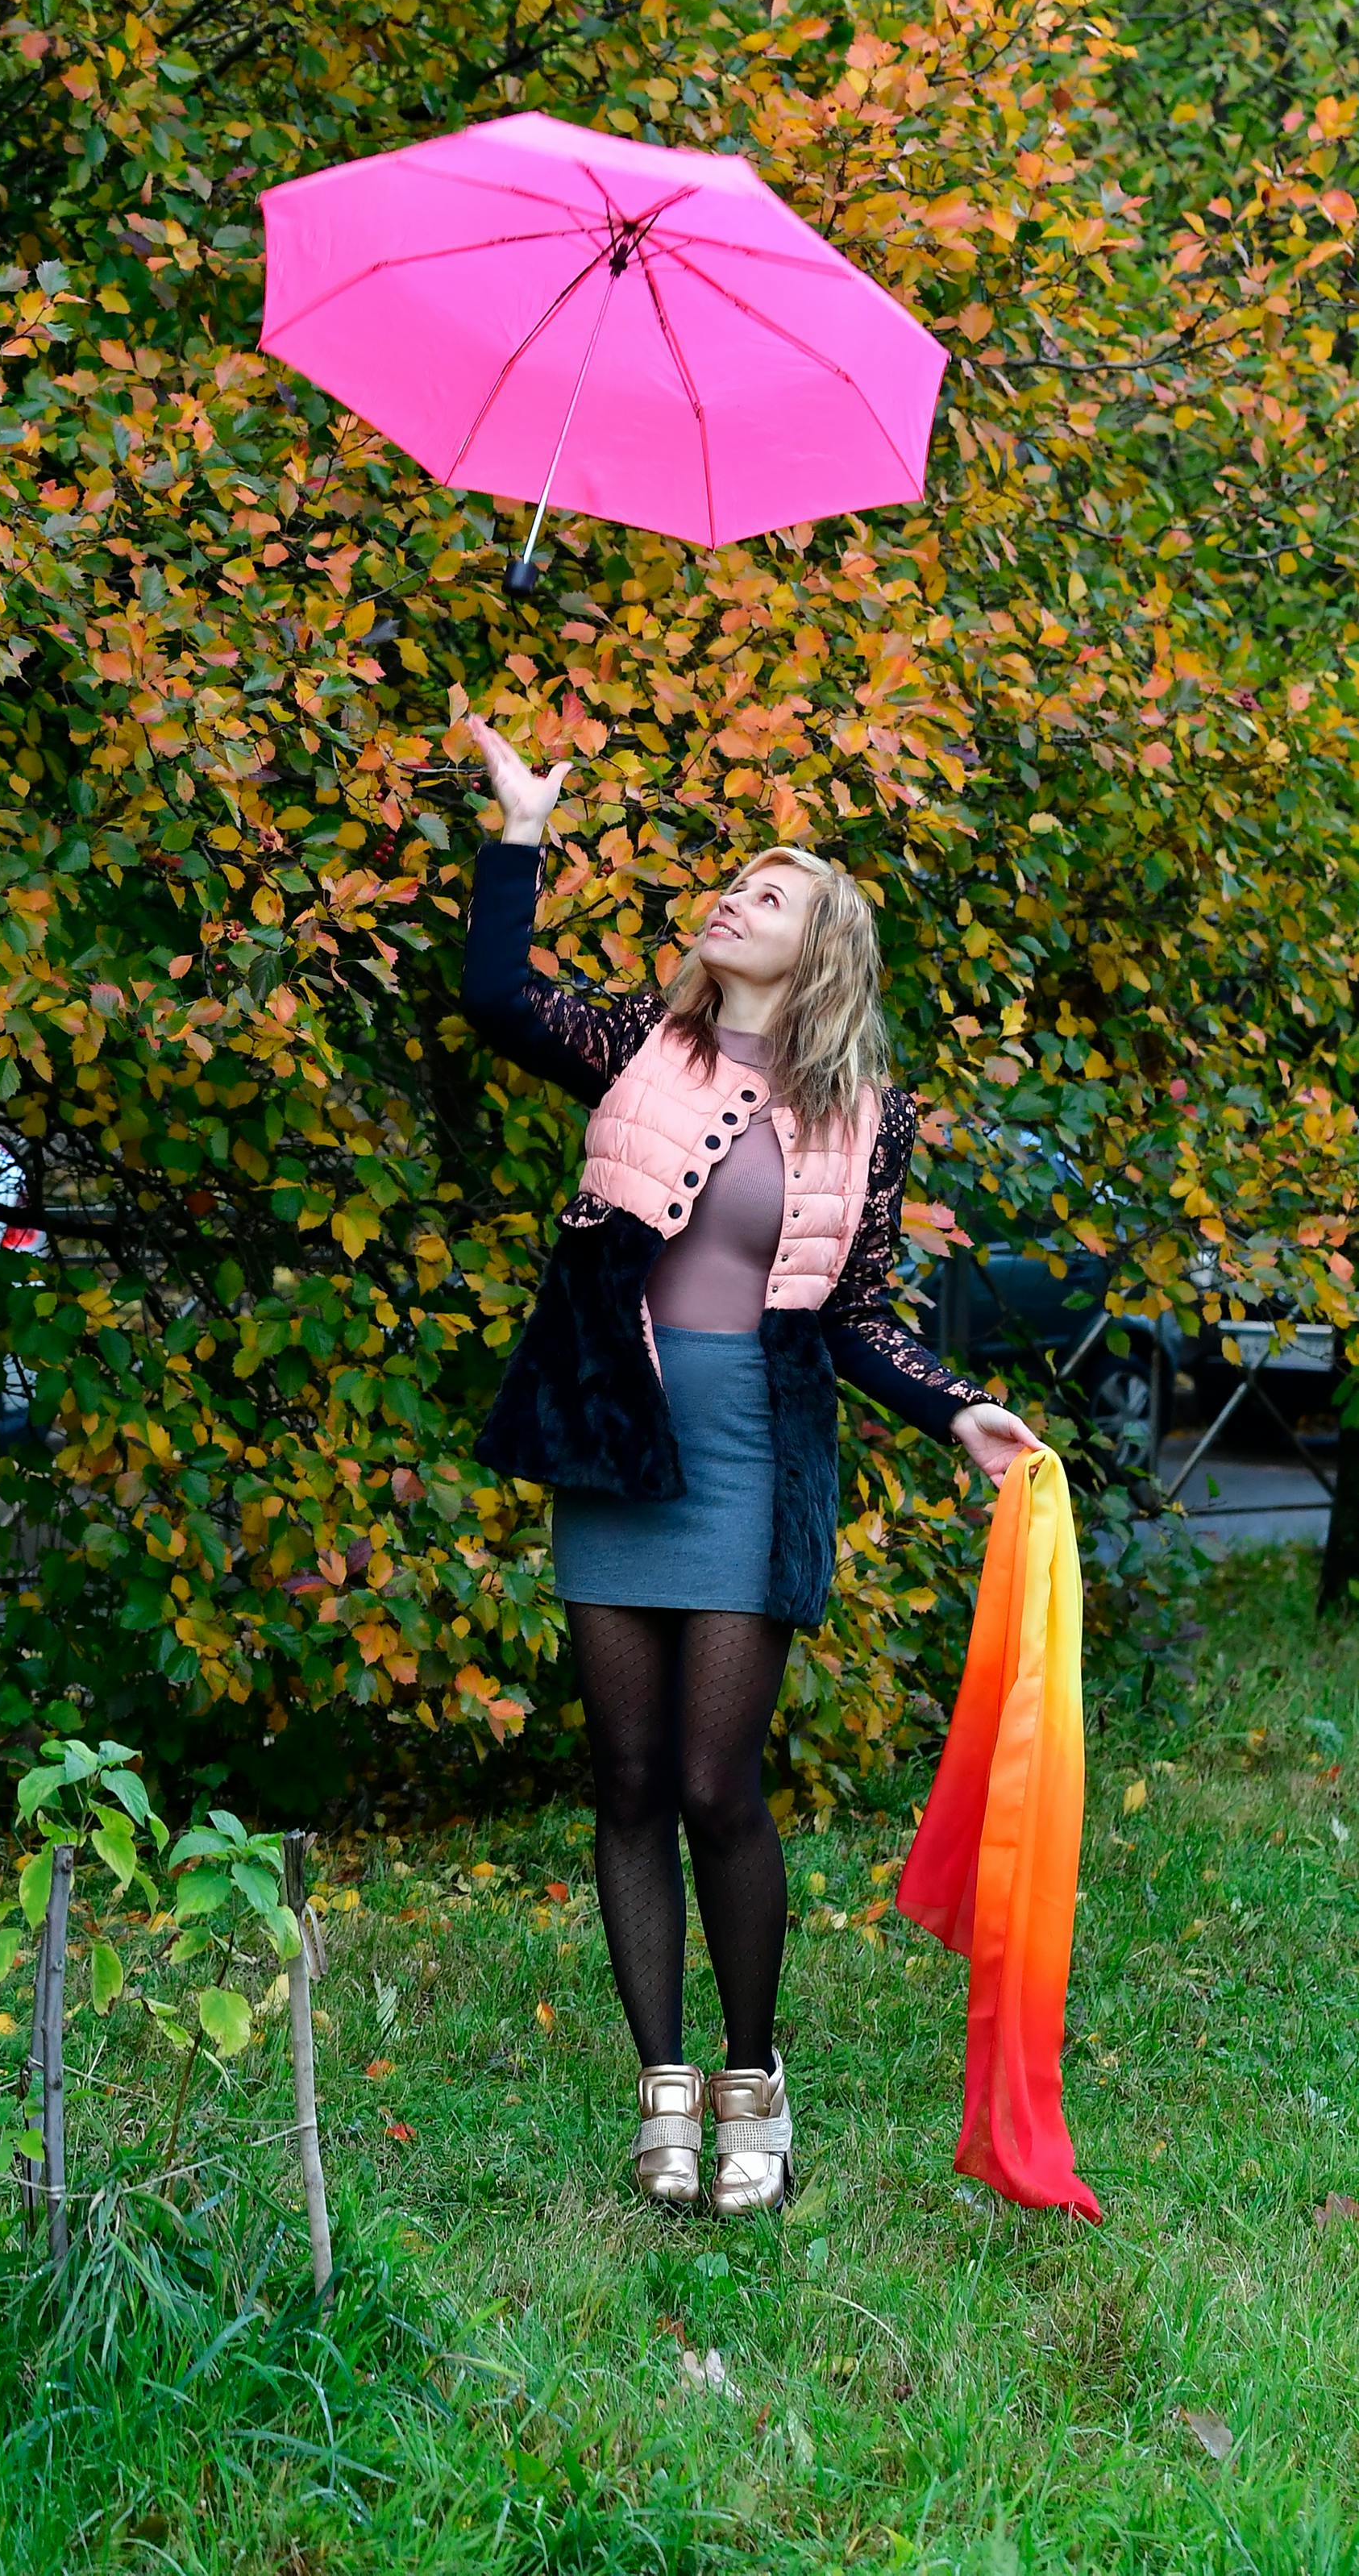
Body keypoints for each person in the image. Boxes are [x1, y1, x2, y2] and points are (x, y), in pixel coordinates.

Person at [459, 717, 1037, 2216]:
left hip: (751, 1450)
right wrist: (519, 831)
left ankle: (750, 2078)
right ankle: (659, 2091)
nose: (731, 903)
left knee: (719, 1781)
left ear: (821, 949)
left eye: (766, 896)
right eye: (731, 888)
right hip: (618, 1439)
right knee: (628, 1778)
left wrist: (956, 1409)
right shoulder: (639, 1050)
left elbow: (852, 1316)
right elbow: (497, 994)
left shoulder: (867, 1118)